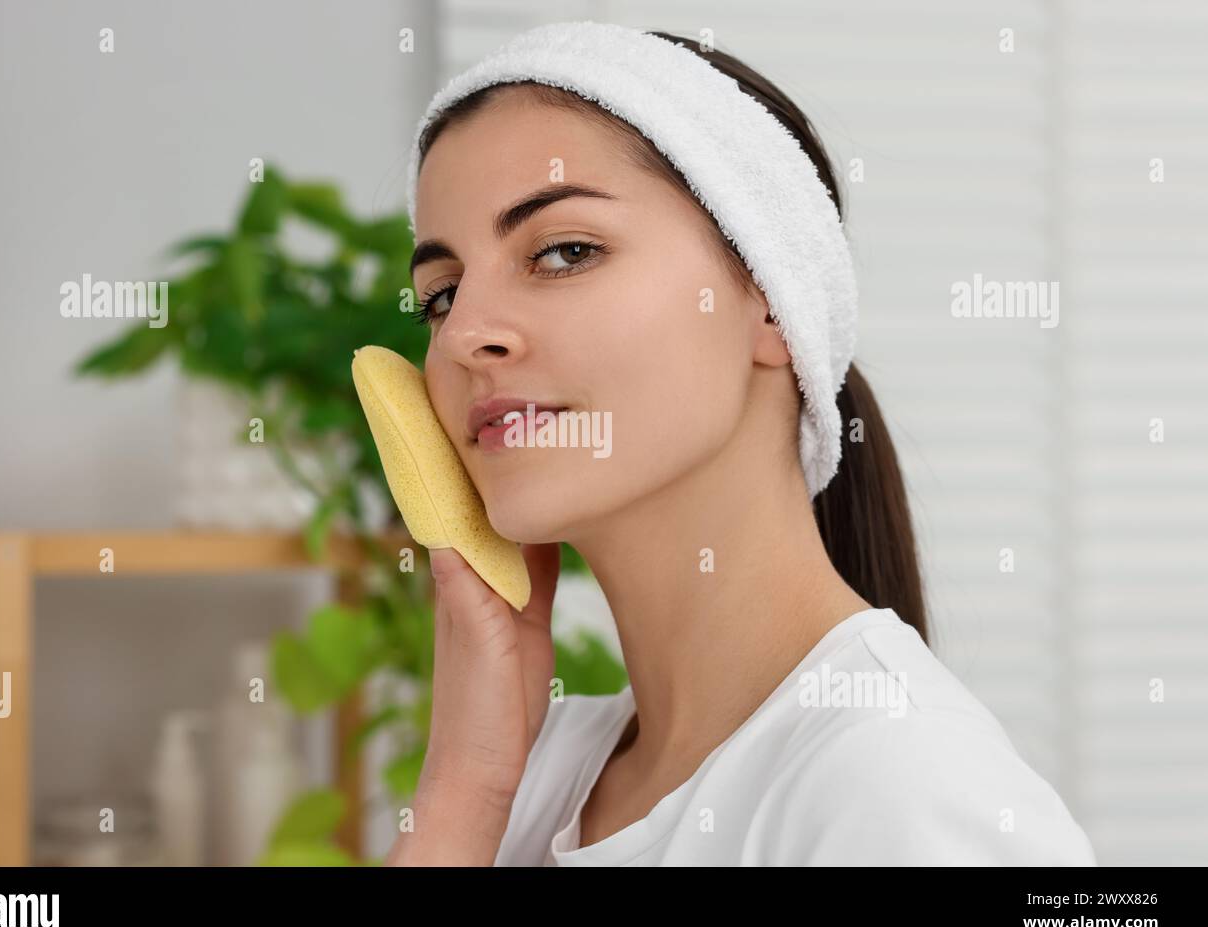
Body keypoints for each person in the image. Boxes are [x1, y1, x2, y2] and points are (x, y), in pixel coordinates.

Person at [385, 23, 1096, 866]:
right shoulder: (534, 769)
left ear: (771, 303)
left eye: (564, 251)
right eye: (441, 294)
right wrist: (465, 785)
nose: (466, 332)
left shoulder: (904, 789)